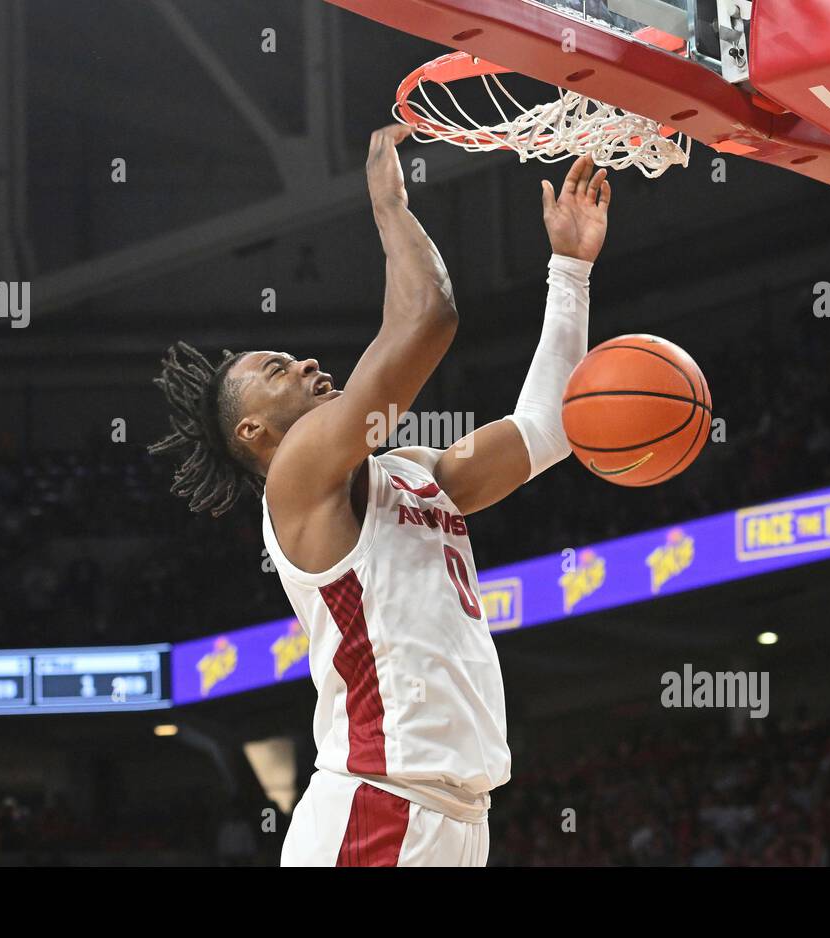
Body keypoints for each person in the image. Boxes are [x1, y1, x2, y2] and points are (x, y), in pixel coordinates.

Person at [150, 125, 611, 866]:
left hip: (453, 815)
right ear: (253, 431)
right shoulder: (297, 477)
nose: (303, 361)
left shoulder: (411, 472)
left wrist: (571, 271)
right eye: (276, 370)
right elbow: (429, 316)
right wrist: (389, 206)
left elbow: (548, 430)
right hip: (376, 806)